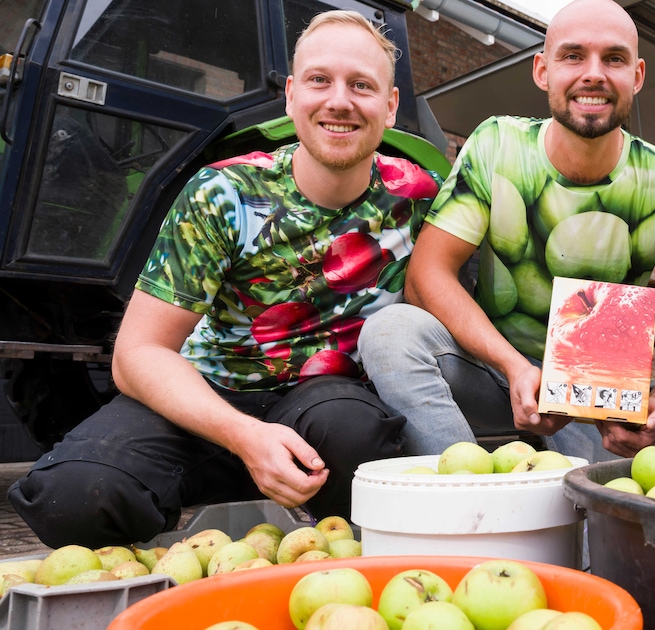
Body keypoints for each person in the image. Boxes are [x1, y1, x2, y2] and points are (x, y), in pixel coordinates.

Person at [7, 10, 441, 548]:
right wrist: (245, 436)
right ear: (289, 95)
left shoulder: (422, 196)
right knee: (72, 496)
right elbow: (137, 353)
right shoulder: (224, 192)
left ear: (392, 107)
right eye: (319, 80)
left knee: (362, 437)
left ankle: (340, 555)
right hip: (210, 394)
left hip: (321, 405)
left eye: (362, 86)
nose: (339, 101)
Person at [359, 0, 655, 461]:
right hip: (493, 368)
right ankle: (466, 499)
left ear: (637, 75)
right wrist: (513, 367)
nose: (593, 74)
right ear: (542, 70)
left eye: (613, 58)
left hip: (595, 388)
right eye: (573, 56)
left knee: (598, 519)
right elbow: (426, 277)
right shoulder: (497, 145)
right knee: (390, 332)